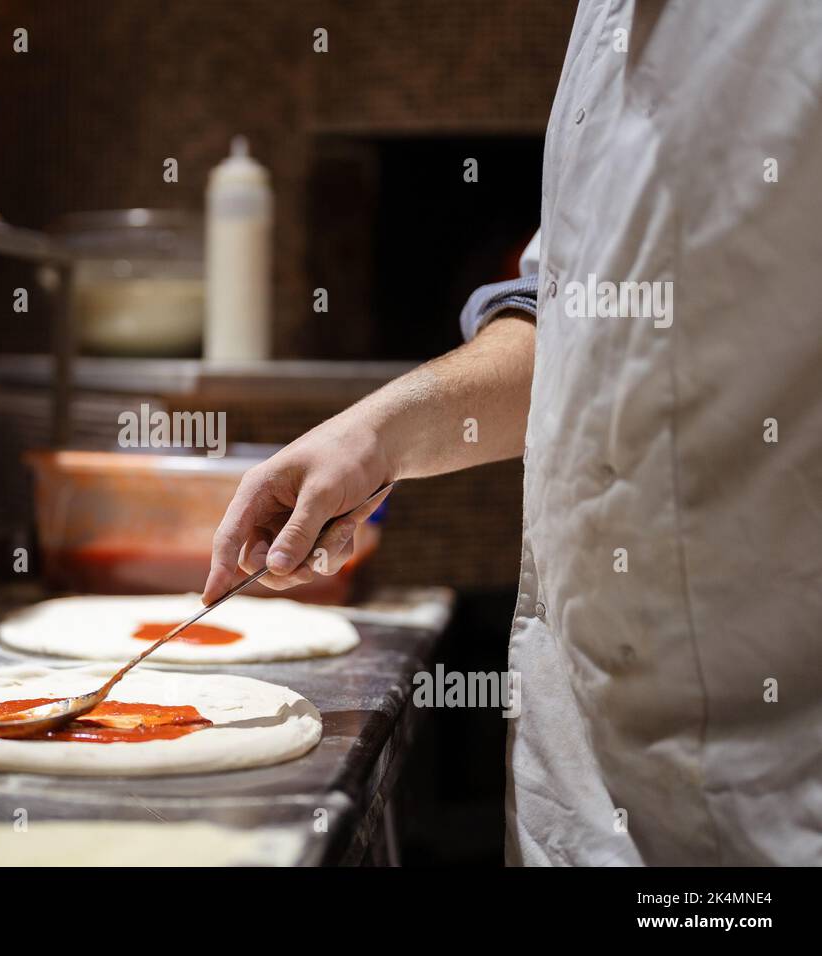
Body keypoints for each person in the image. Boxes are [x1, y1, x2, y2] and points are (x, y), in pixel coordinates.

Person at [202, 0, 822, 865]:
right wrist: (376, 435)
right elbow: (570, 320)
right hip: (583, 773)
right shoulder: (601, 20)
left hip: (777, 789)